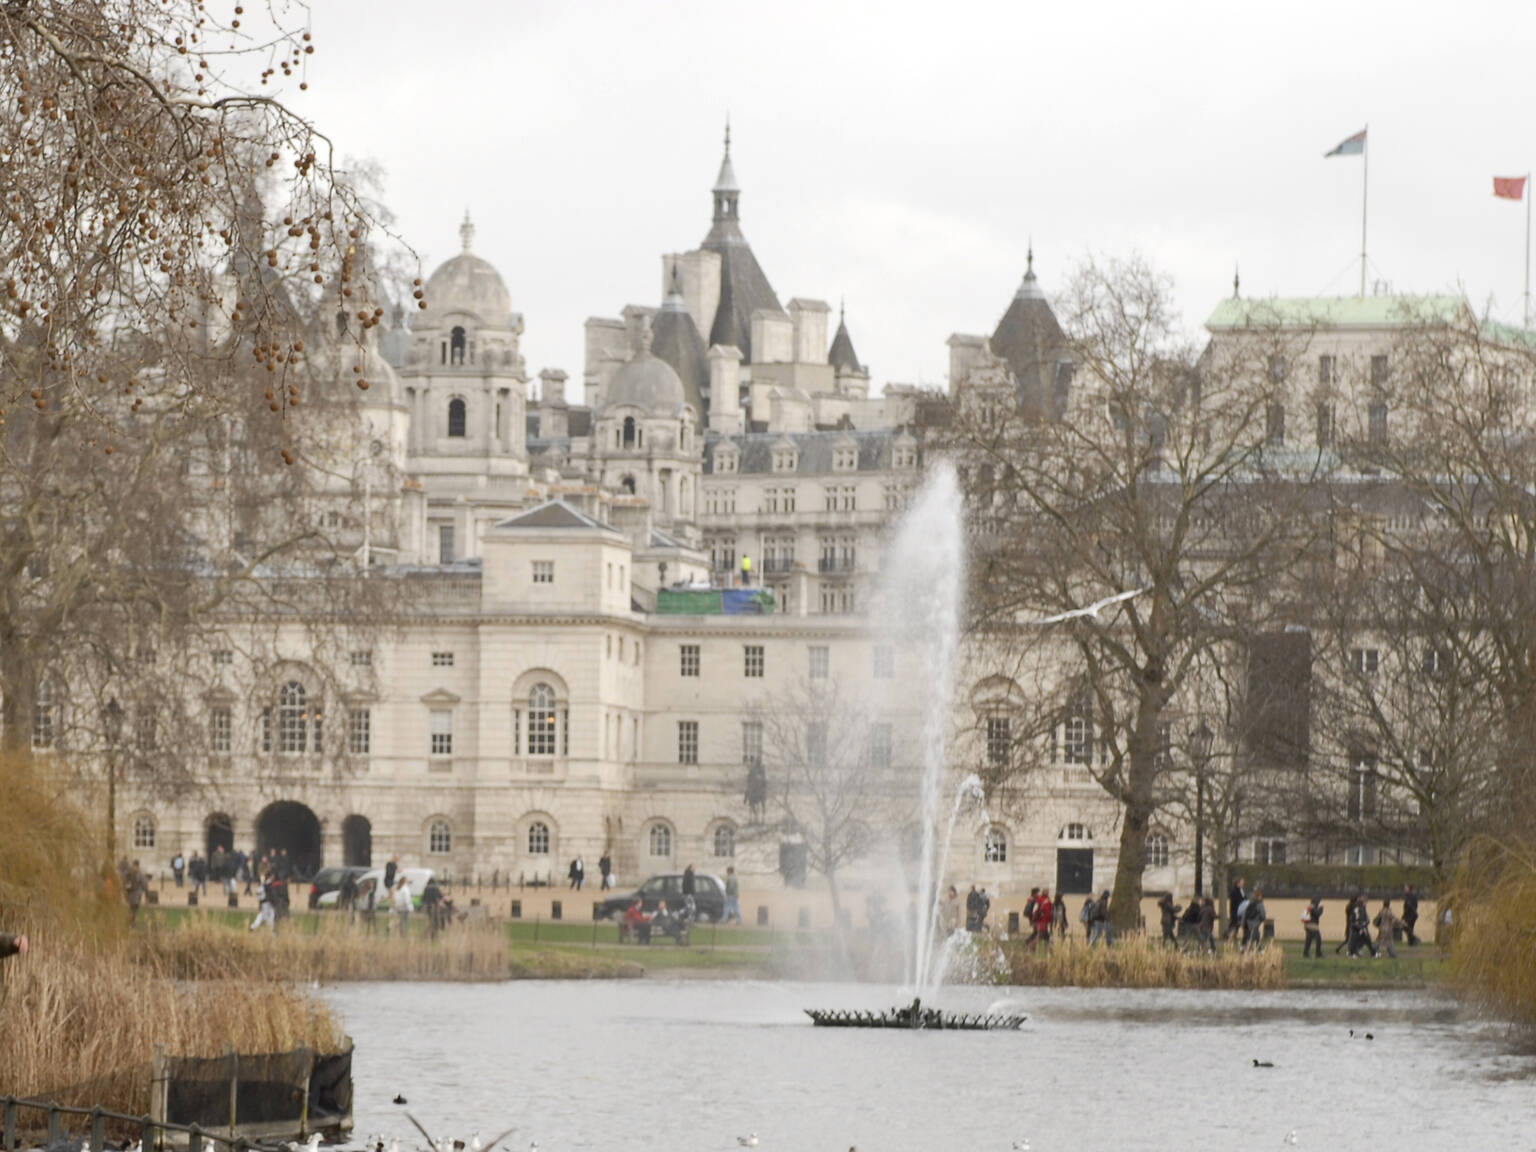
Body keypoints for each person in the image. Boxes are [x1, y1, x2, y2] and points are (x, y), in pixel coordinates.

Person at [1242, 887, 1267, 951]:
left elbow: (1245, 914)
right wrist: (1261, 920)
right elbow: (1263, 915)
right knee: (1255, 938)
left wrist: (1243, 923)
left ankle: (1243, 950)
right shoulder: (1260, 904)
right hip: (1254, 924)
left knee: (1247, 938)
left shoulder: (1250, 903)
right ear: (1260, 896)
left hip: (1247, 924)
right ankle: (1259, 951)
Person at [125, 860, 148, 926]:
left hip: (129, 893)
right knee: (134, 909)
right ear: (138, 865)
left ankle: (129, 922)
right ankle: (132, 922)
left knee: (130, 908)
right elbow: (144, 884)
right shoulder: (139, 873)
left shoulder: (128, 872)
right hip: (137, 894)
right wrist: (147, 894)